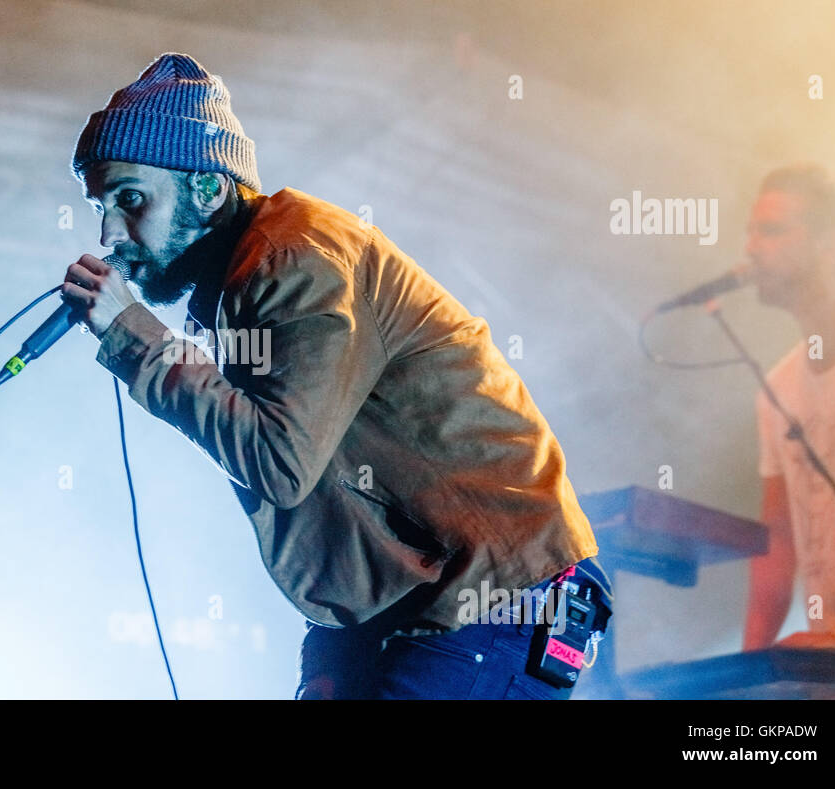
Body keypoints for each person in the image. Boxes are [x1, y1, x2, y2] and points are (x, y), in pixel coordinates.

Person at [60, 52, 610, 698]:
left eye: (130, 199)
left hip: (493, 601)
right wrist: (328, 654)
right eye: (100, 205)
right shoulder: (245, 285)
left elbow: (281, 459)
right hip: (428, 609)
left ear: (208, 190)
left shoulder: (294, 259)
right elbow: (340, 504)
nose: (108, 232)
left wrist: (134, 337)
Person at [742, 163, 835, 652]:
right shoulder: (777, 388)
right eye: (750, 231)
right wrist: (746, 670)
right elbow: (777, 543)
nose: (751, 247)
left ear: (830, 244)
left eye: (771, 230)